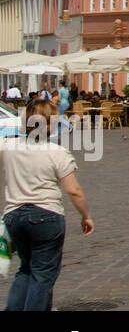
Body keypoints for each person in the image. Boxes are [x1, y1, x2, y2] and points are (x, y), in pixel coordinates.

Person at [2, 101, 94, 310]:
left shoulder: (8, 147)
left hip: (14, 215)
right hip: (46, 215)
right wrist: (86, 215)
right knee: (43, 273)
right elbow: (74, 190)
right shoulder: (56, 152)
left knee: (26, 268)